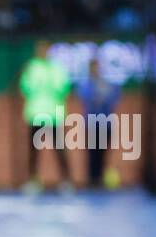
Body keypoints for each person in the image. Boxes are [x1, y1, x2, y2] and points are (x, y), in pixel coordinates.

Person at [20, 39, 74, 193]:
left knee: (60, 149)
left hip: (54, 115)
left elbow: (64, 88)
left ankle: (66, 182)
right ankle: (33, 182)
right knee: (34, 151)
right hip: (36, 114)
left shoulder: (58, 69)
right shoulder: (32, 68)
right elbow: (25, 87)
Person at [76, 57, 121, 188]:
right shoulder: (86, 84)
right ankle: (92, 180)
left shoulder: (106, 83)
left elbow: (114, 96)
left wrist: (104, 97)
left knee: (102, 152)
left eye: (97, 67)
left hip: (105, 123)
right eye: (92, 67)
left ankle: (100, 178)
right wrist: (98, 96)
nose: (95, 70)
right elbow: (87, 98)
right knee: (92, 152)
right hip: (92, 124)